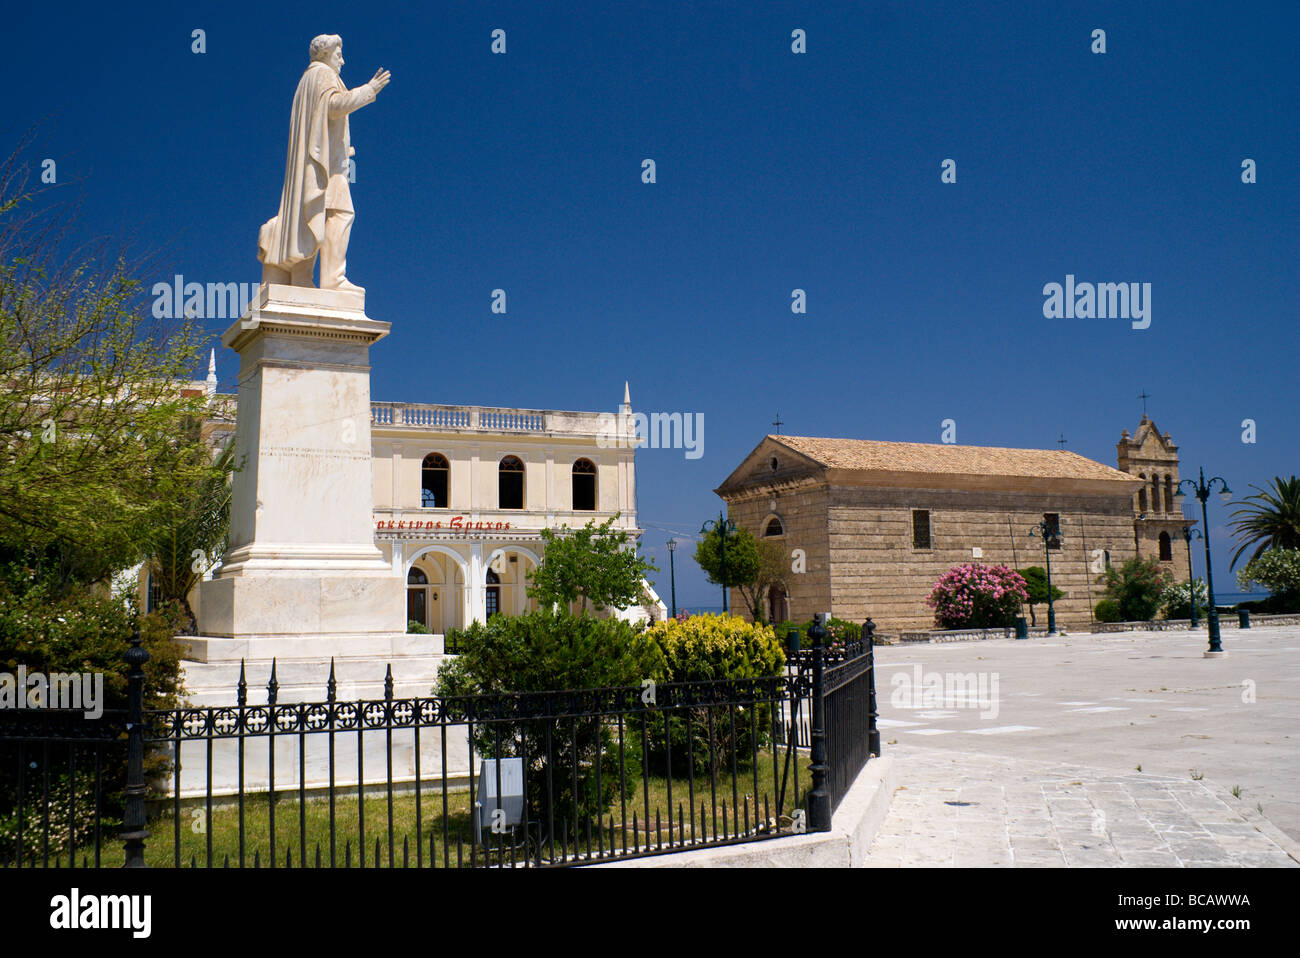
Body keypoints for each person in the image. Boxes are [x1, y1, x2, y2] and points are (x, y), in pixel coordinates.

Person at [258, 34, 391, 292]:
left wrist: (341, 149)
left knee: (311, 212)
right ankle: (333, 279)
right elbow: (334, 105)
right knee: (340, 212)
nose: (343, 60)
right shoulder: (324, 74)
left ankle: (301, 277)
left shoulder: (307, 79)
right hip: (325, 167)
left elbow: (320, 121)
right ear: (326, 54)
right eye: (339, 55)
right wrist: (369, 90)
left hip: (320, 161)